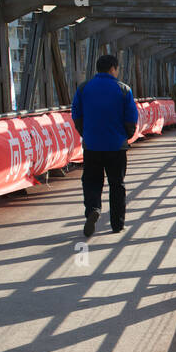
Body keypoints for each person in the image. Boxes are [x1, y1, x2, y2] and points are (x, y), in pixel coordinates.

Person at [72, 54, 138, 237]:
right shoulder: (124, 89)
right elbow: (131, 117)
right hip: (116, 146)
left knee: (91, 180)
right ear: (113, 68)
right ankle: (117, 223)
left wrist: (85, 134)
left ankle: (93, 209)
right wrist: (126, 136)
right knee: (117, 184)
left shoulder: (84, 88)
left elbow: (76, 114)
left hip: (92, 145)